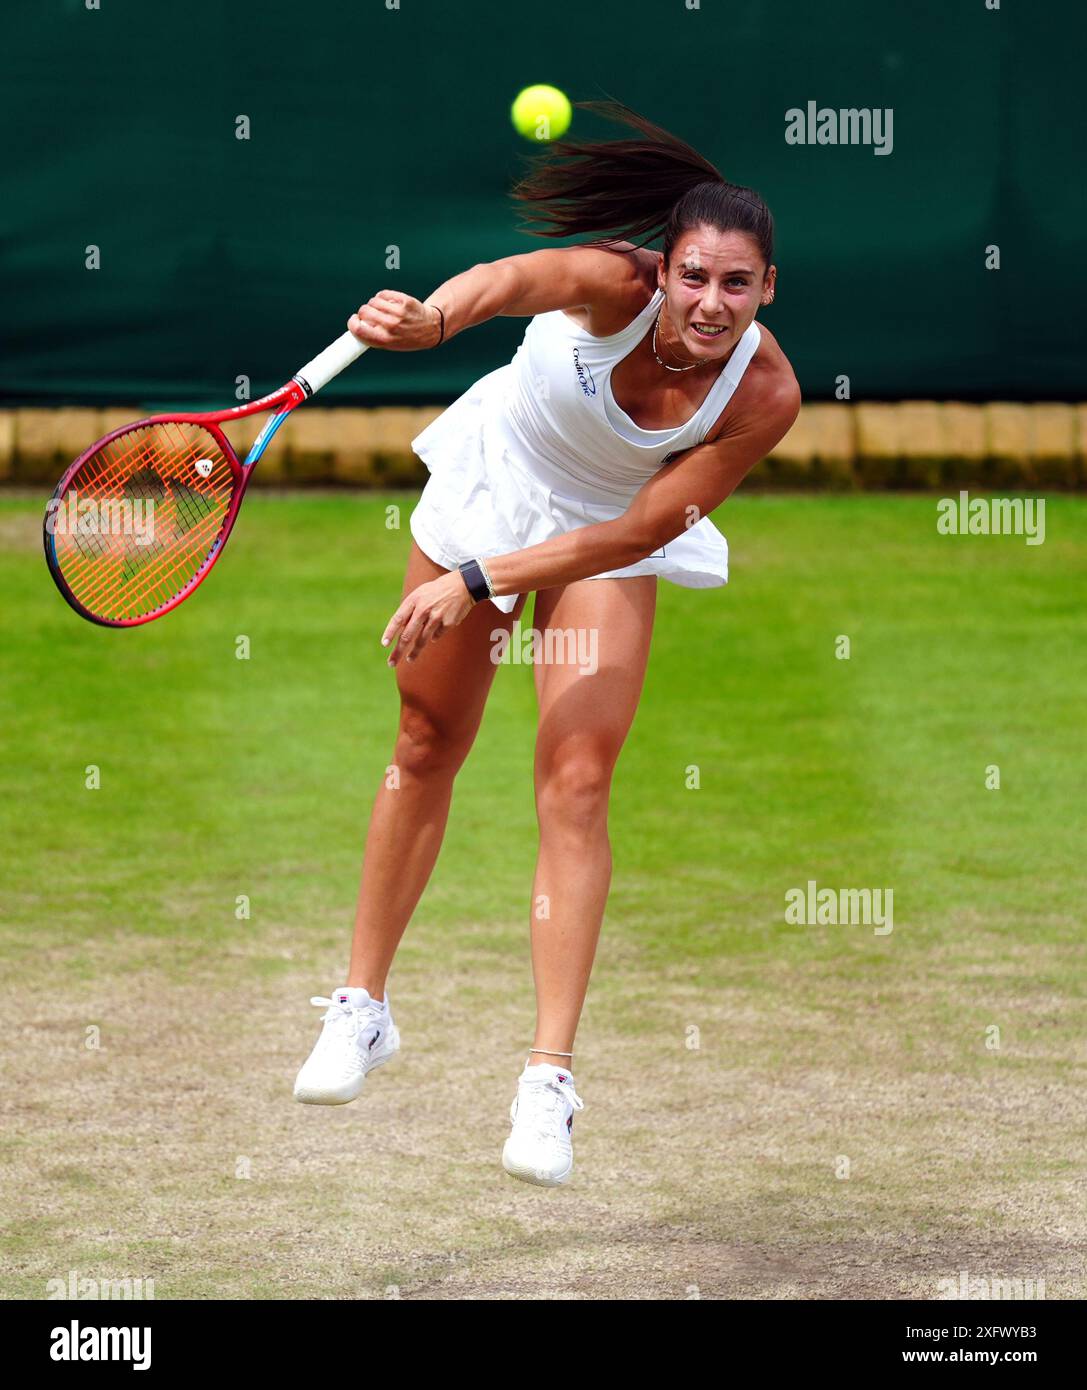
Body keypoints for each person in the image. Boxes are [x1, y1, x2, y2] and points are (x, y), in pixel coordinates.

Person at [293, 101, 801, 1187]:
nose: (712, 302)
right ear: (660, 272)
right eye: (696, 276)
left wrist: (481, 582)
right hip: (495, 475)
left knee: (575, 783)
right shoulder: (609, 281)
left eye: (738, 284)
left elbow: (636, 531)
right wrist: (432, 322)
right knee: (426, 738)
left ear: (767, 291)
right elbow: (506, 284)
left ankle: (546, 1081)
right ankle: (363, 1005)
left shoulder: (762, 394)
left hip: (602, 541)